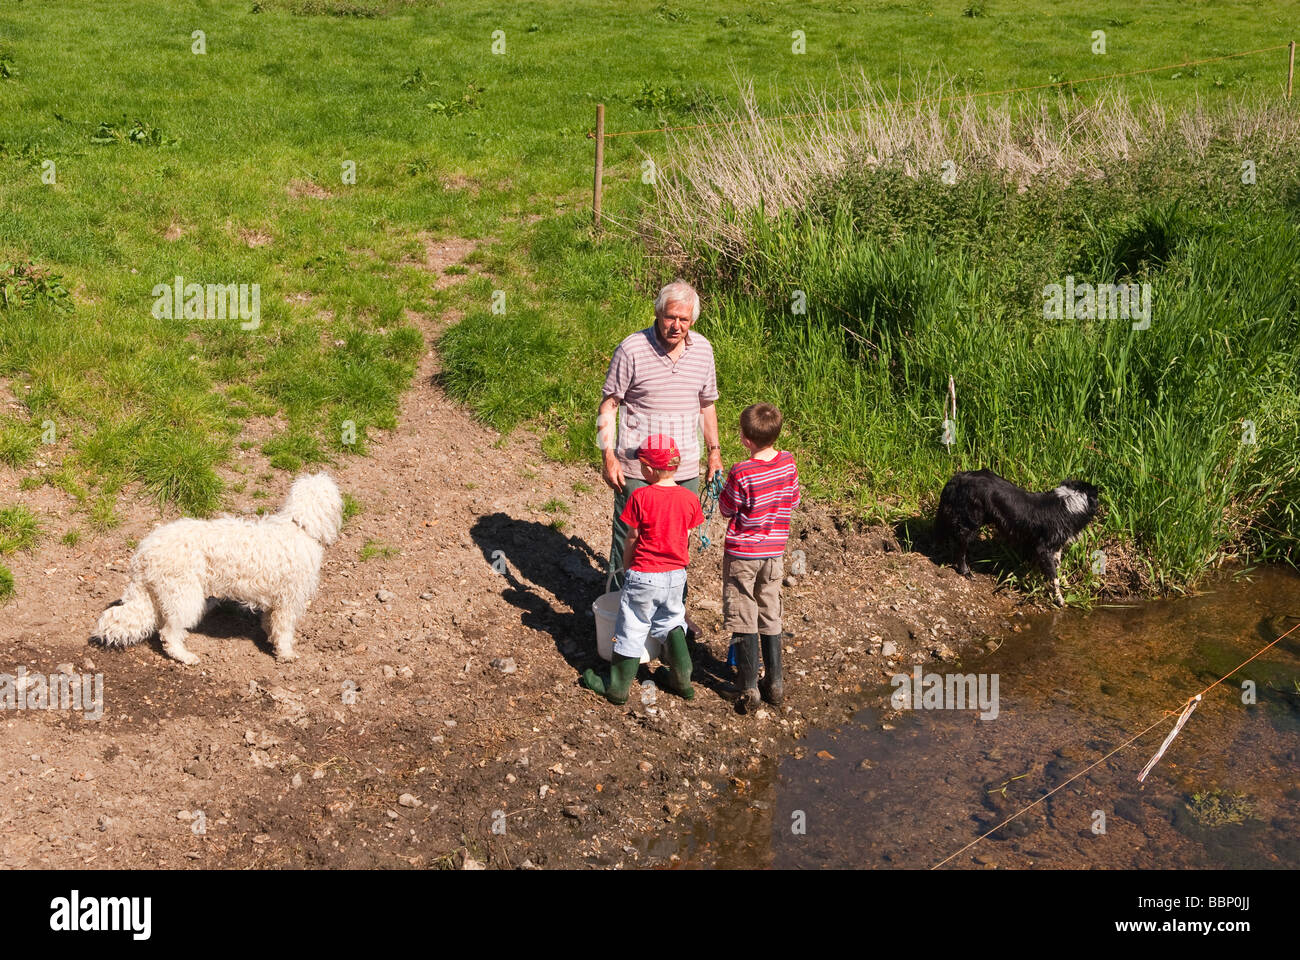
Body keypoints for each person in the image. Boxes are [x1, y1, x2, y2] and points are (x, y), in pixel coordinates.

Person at [597, 280, 722, 593]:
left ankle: (672, 615)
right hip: (637, 467)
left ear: (692, 320)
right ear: (658, 313)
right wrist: (608, 456)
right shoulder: (632, 349)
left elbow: (707, 406)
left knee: (678, 539)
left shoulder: (703, 350)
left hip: (685, 466)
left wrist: (714, 453)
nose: (676, 325)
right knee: (631, 536)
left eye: (683, 319)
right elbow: (609, 405)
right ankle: (618, 607)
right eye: (670, 317)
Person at [582, 436, 704, 706]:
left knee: (632, 627)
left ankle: (617, 688)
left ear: (648, 469)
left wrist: (627, 565)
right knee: (672, 621)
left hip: (645, 573)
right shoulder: (688, 498)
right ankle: (683, 681)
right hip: (676, 575)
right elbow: (685, 534)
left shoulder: (640, 496)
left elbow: (632, 537)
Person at [718, 403, 801, 711]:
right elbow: (793, 500)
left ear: (745, 439)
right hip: (773, 554)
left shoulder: (741, 471)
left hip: (742, 554)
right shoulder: (788, 462)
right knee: (769, 609)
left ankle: (748, 686)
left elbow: (727, 508)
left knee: (743, 612)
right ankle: (775, 684)